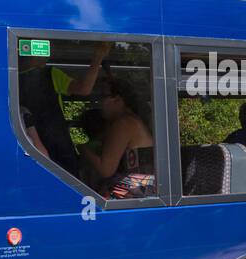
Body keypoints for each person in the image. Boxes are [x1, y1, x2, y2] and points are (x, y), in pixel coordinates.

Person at [18, 41, 110, 177]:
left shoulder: (10, 79)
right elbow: (84, 89)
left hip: (28, 149)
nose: (48, 56)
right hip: (59, 148)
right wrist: (98, 57)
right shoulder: (50, 74)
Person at [82, 76, 156, 198]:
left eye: (103, 97)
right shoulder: (131, 121)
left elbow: (106, 169)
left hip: (139, 190)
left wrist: (83, 149)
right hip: (143, 188)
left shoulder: (124, 123)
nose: (99, 103)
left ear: (117, 99)